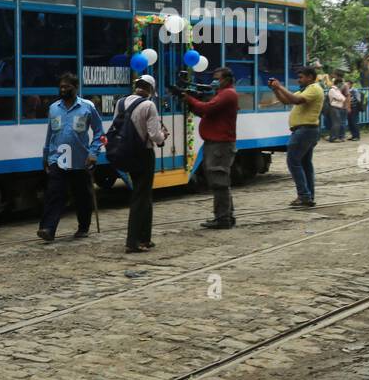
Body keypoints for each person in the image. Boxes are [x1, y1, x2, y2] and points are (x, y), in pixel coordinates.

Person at [37, 73, 104, 242]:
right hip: (57, 159)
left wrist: (94, 153)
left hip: (81, 160)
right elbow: (50, 133)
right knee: (54, 194)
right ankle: (48, 229)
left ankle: (83, 227)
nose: (63, 89)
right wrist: (46, 155)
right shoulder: (54, 108)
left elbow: (99, 132)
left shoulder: (87, 107)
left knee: (82, 196)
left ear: (76, 88)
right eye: (61, 86)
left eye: (67, 86)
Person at [176, 65, 239, 229]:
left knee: (219, 180)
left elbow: (207, 108)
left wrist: (190, 99)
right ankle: (225, 215)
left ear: (226, 80)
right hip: (216, 142)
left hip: (220, 144)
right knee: (219, 180)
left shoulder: (227, 94)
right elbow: (205, 112)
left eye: (217, 79)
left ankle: (223, 218)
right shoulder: (222, 94)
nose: (214, 81)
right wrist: (191, 102)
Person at [114, 75, 168, 253]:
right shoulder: (148, 105)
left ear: (136, 86)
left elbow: (117, 127)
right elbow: (154, 135)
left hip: (126, 153)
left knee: (142, 194)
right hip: (144, 154)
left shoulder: (120, 103)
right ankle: (134, 240)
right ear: (151, 90)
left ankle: (145, 237)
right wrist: (163, 136)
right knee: (141, 196)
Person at [267, 67, 325, 207]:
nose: (299, 80)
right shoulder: (306, 89)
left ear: (310, 77)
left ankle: (304, 196)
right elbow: (287, 101)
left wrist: (280, 86)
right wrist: (276, 89)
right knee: (305, 164)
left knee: (293, 161)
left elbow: (296, 100)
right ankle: (308, 195)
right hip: (306, 131)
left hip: (305, 131)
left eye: (301, 77)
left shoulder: (314, 88)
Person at [326, 76, 347, 142]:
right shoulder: (332, 90)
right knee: (336, 123)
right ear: (338, 83)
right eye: (341, 83)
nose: (342, 85)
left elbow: (343, 98)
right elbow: (340, 98)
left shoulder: (337, 90)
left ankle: (336, 137)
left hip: (338, 108)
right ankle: (333, 138)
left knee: (338, 123)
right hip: (334, 108)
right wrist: (342, 99)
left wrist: (342, 98)